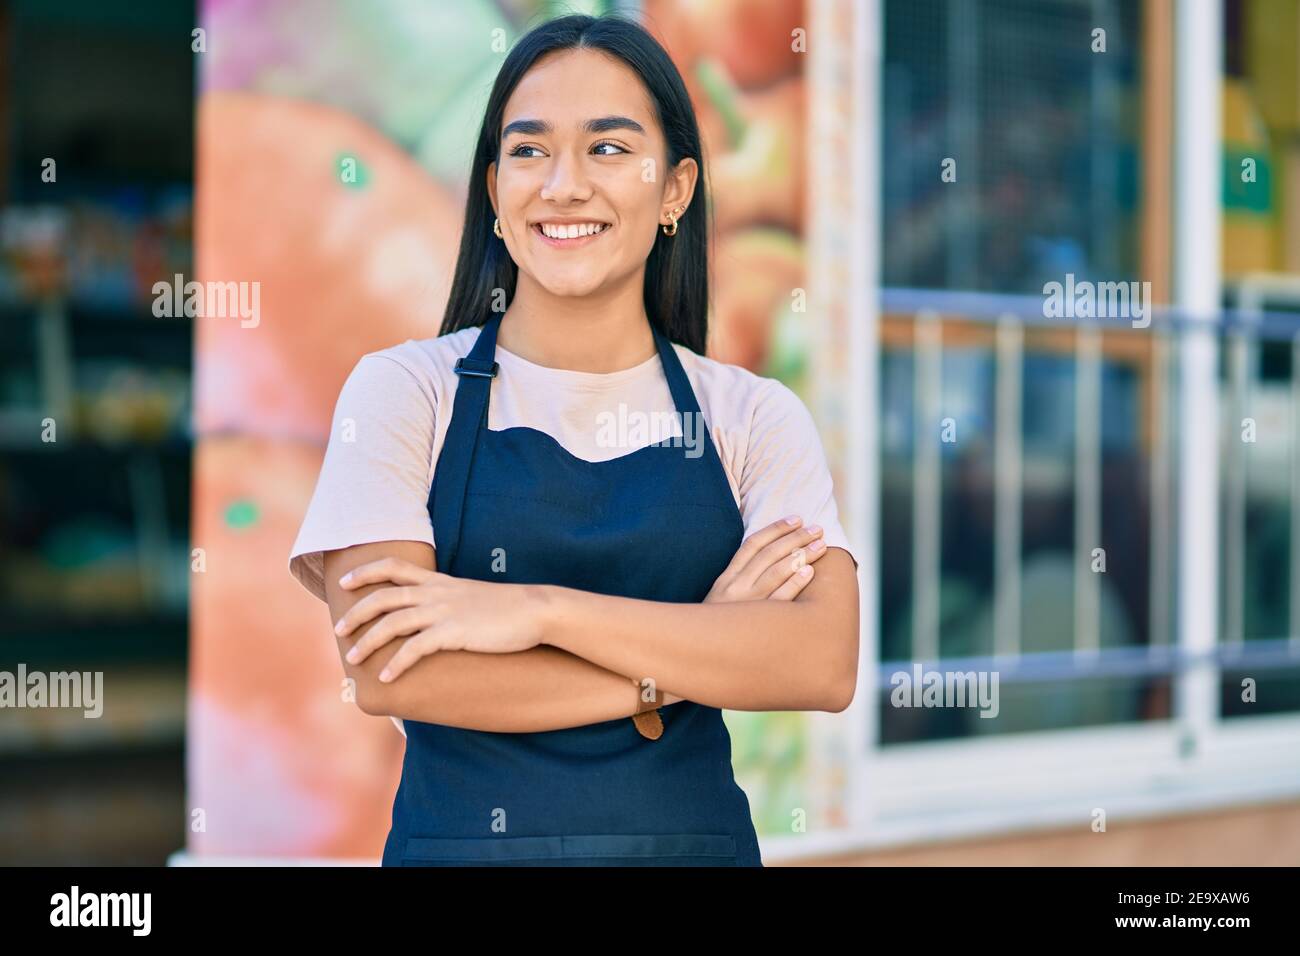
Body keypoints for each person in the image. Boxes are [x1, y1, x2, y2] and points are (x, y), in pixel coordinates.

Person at [288, 13, 859, 867]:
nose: (563, 184)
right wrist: (694, 652)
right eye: (528, 150)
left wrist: (532, 610)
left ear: (675, 190)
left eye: (608, 148)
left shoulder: (752, 415)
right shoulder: (405, 392)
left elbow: (820, 662)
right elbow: (391, 671)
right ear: (493, 190)